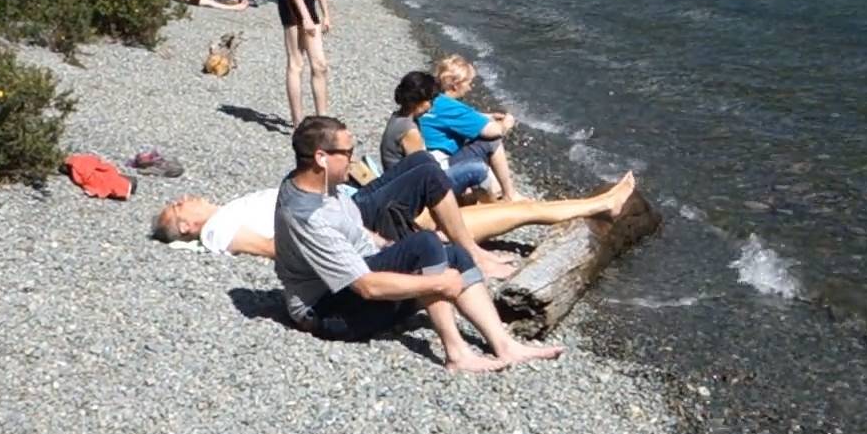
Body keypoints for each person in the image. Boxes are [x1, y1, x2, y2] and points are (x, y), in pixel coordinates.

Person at [268, 117, 563, 371]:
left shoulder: (311, 182)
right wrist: (435, 285)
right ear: (321, 157)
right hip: (328, 312)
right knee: (425, 247)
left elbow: (354, 228)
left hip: (354, 275)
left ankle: (504, 344)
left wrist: (390, 247)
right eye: (347, 153)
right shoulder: (307, 216)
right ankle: (456, 353)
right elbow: (367, 287)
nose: (353, 160)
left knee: (453, 254)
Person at [151, 162, 637, 263]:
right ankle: (599, 203)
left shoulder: (225, 211)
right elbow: (273, 248)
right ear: (188, 226)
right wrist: (356, 246)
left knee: (513, 210)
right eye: (177, 208)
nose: (184, 198)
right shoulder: (217, 229)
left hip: (350, 210)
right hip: (357, 219)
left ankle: (598, 203)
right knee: (426, 170)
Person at [420, 55, 519, 202]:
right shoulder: (452, 108)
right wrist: (507, 123)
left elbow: (462, 118)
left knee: (473, 136)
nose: (470, 88)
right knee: (491, 141)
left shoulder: (434, 100)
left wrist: (487, 116)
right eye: (468, 83)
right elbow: (495, 131)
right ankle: (510, 195)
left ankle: (490, 189)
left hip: (426, 164)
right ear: (456, 85)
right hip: (440, 169)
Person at [383, 70, 493, 199]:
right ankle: (495, 210)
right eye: (430, 101)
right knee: (478, 169)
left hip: (406, 183)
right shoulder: (409, 131)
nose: (431, 107)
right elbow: (424, 172)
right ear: (421, 102)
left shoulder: (399, 117)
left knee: (468, 167)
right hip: (414, 192)